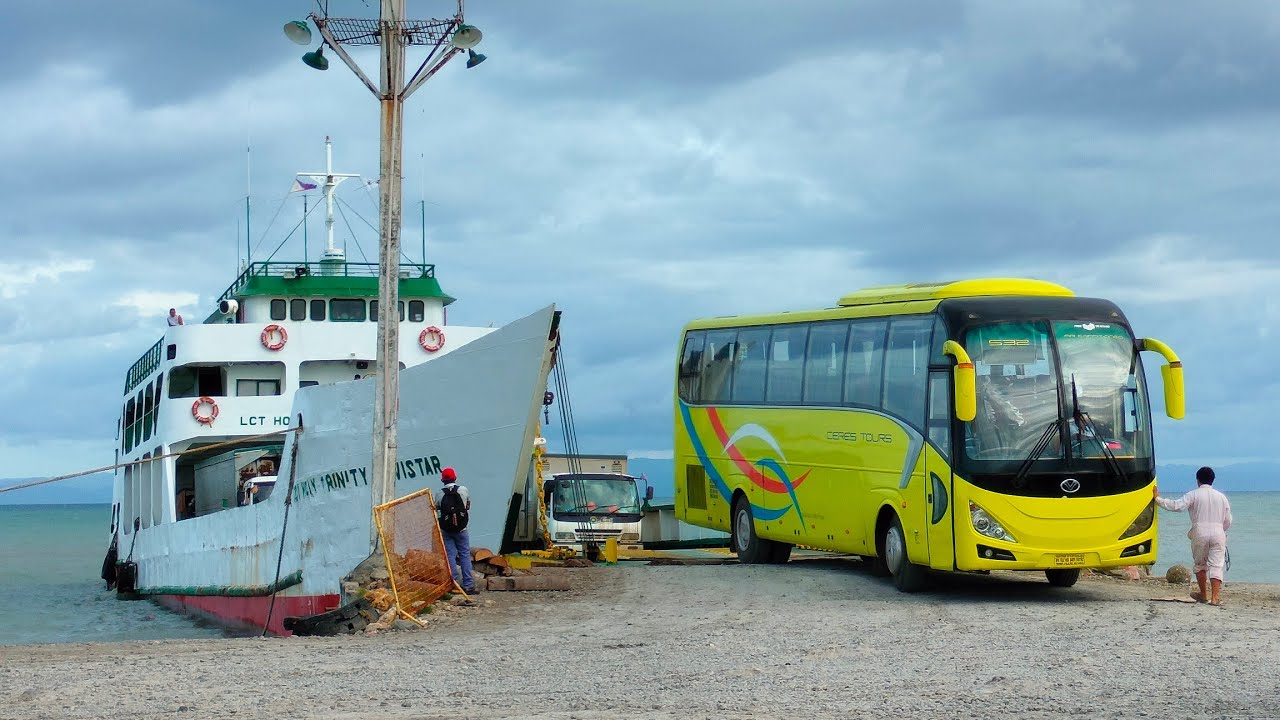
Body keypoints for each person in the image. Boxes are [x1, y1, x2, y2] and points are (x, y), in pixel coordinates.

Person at [1154, 466, 1233, 606]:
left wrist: (1158, 499)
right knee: (1216, 565)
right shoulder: (1222, 497)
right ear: (1213, 480)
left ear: (1198, 480)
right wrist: (1221, 530)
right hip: (1218, 532)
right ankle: (1215, 598)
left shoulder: (1193, 495)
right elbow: (1228, 520)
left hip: (1200, 531)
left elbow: (1176, 506)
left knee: (1200, 565)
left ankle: (1203, 595)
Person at [433, 467, 476, 594]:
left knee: (450, 555)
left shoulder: (439, 494)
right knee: (464, 554)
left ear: (442, 480)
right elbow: (467, 506)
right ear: (455, 478)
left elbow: (437, 509)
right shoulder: (463, 490)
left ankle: (454, 584)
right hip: (462, 529)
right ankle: (468, 585)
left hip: (446, 529)